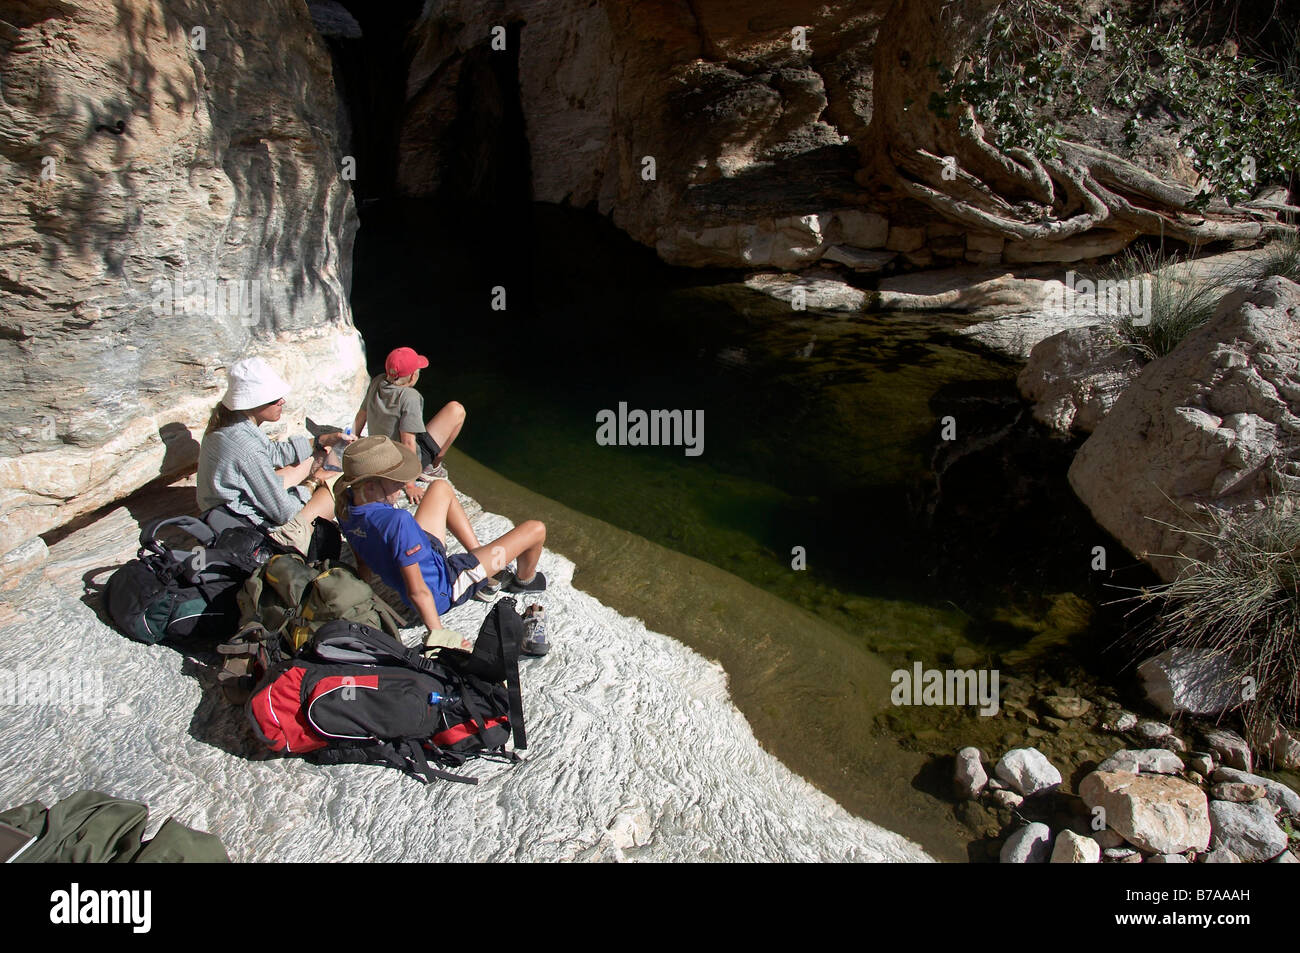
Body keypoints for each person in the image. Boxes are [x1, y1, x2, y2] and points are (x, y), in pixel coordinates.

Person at [335, 436, 549, 651]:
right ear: (371, 486)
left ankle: (481, 564)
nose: (402, 486)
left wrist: (364, 586)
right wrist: (438, 635)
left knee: (440, 487)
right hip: (445, 586)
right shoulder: (397, 522)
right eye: (395, 482)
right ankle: (523, 580)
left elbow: (362, 561)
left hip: (422, 551)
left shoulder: (345, 503)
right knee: (536, 529)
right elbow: (418, 592)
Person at [197, 356, 353, 555]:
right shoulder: (247, 448)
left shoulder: (232, 426)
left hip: (227, 512)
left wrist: (321, 442)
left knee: (312, 459)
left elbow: (272, 453)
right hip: (255, 533)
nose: (282, 401)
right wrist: (314, 481)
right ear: (253, 402)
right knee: (334, 487)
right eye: (273, 398)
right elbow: (284, 512)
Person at [353, 346, 467, 504]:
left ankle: (431, 465)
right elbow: (408, 442)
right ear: (413, 376)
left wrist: (355, 440)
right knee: (457, 410)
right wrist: (409, 485)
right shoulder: (409, 397)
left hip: (380, 453)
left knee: (419, 430)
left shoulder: (378, 381)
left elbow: (362, 415)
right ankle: (433, 467)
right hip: (401, 460)